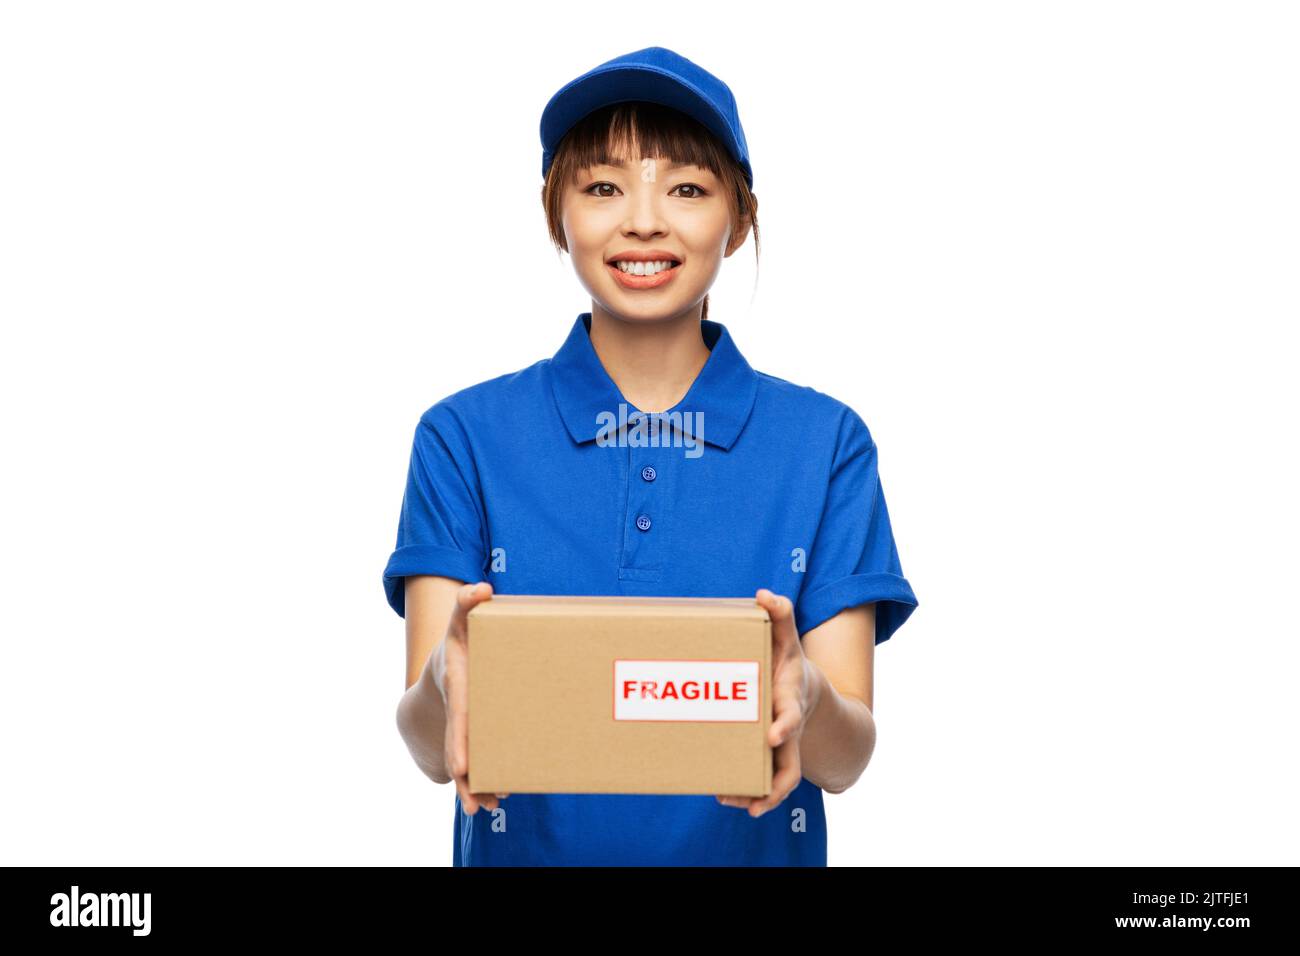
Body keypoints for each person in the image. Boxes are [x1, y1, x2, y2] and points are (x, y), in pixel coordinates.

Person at [386, 46, 918, 866]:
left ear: (738, 220)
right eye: (602, 187)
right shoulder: (462, 437)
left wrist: (806, 698)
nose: (643, 221)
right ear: (553, 211)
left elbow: (844, 762)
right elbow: (430, 748)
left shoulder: (826, 444)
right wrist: (444, 688)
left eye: (687, 189)